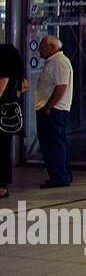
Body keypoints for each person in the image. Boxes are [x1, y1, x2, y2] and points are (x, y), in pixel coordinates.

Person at [34, 35, 74, 189]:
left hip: (54, 110)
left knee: (53, 144)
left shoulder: (59, 62)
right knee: (56, 142)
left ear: (52, 47)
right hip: (52, 109)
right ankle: (62, 174)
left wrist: (49, 106)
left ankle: (59, 176)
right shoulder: (54, 62)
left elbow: (61, 87)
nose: (39, 49)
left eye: (42, 46)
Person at [0, 42, 26, 199]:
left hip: (2, 118)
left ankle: (2, 185)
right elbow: (24, 88)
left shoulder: (4, 75)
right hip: (9, 119)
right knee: (4, 149)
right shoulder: (18, 76)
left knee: (2, 151)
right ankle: (3, 184)